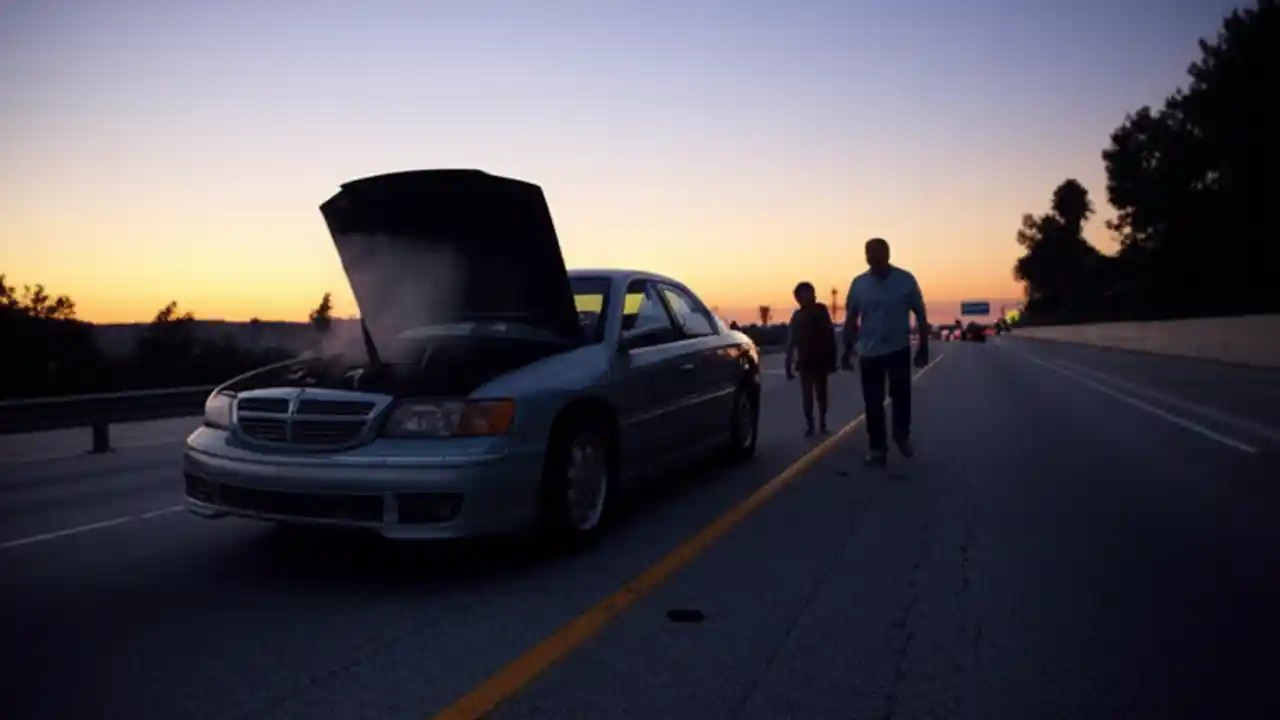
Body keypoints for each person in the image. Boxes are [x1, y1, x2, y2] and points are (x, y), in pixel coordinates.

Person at [841, 237, 930, 465]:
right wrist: (846, 349)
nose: (874, 256)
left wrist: (923, 346)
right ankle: (877, 448)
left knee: (901, 396)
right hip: (869, 352)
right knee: (873, 402)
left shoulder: (905, 280)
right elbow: (851, 319)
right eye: (870, 252)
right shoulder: (859, 284)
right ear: (866, 256)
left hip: (897, 349)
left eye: (879, 252)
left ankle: (901, 434)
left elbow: (920, 314)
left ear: (888, 254)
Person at [785, 281, 837, 436]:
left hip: (820, 359)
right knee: (807, 396)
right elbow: (791, 340)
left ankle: (822, 422)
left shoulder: (821, 310)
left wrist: (833, 359)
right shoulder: (798, 316)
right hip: (805, 361)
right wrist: (788, 363)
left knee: (821, 394)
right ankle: (811, 424)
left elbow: (830, 335)